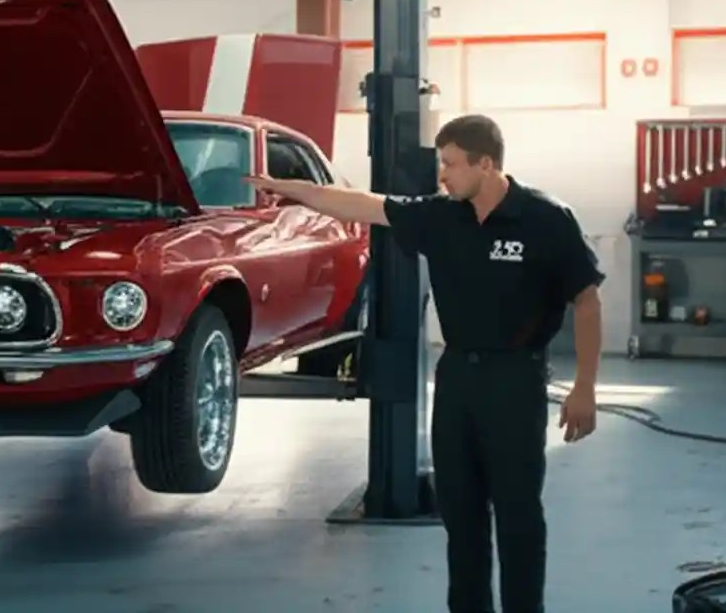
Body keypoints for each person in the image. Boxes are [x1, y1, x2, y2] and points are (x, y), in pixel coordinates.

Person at [245, 114, 603, 613]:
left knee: (519, 513)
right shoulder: (442, 215)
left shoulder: (546, 218)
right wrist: (293, 188)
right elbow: (364, 205)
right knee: (461, 513)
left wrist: (585, 388)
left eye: (452, 165)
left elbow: (586, 301)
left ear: (487, 164)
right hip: (457, 380)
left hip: (515, 381)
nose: (443, 175)